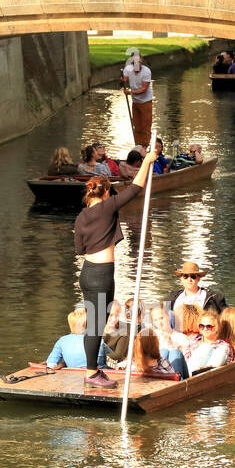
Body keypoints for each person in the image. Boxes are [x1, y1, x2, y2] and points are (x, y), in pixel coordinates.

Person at [72, 147, 159, 388]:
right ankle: (91, 372)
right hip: (101, 276)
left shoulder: (80, 217)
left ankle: (94, 369)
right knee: (97, 327)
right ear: (107, 191)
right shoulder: (107, 207)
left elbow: (79, 249)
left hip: (87, 273)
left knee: (95, 324)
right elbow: (136, 188)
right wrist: (148, 162)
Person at [121, 49, 153, 148]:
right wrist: (122, 81)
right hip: (135, 102)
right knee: (137, 125)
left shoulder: (146, 71)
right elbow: (124, 80)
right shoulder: (127, 69)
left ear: (141, 62)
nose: (137, 65)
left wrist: (130, 92)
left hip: (145, 101)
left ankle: (145, 146)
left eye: (139, 62)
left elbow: (144, 89)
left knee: (146, 126)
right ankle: (138, 146)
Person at [149, 305, 191, 379]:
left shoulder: (181, 337)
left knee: (174, 353)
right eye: (155, 320)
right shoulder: (152, 337)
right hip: (157, 373)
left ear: (168, 315)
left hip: (180, 372)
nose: (159, 323)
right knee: (163, 352)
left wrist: (171, 343)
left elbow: (187, 361)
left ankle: (174, 382)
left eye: (161, 318)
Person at [187, 309, 233, 373]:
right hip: (189, 373)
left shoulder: (223, 346)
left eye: (209, 326)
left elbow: (227, 366)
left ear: (217, 327)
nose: (205, 329)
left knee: (215, 349)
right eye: (202, 326)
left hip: (210, 376)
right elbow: (186, 359)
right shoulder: (193, 339)